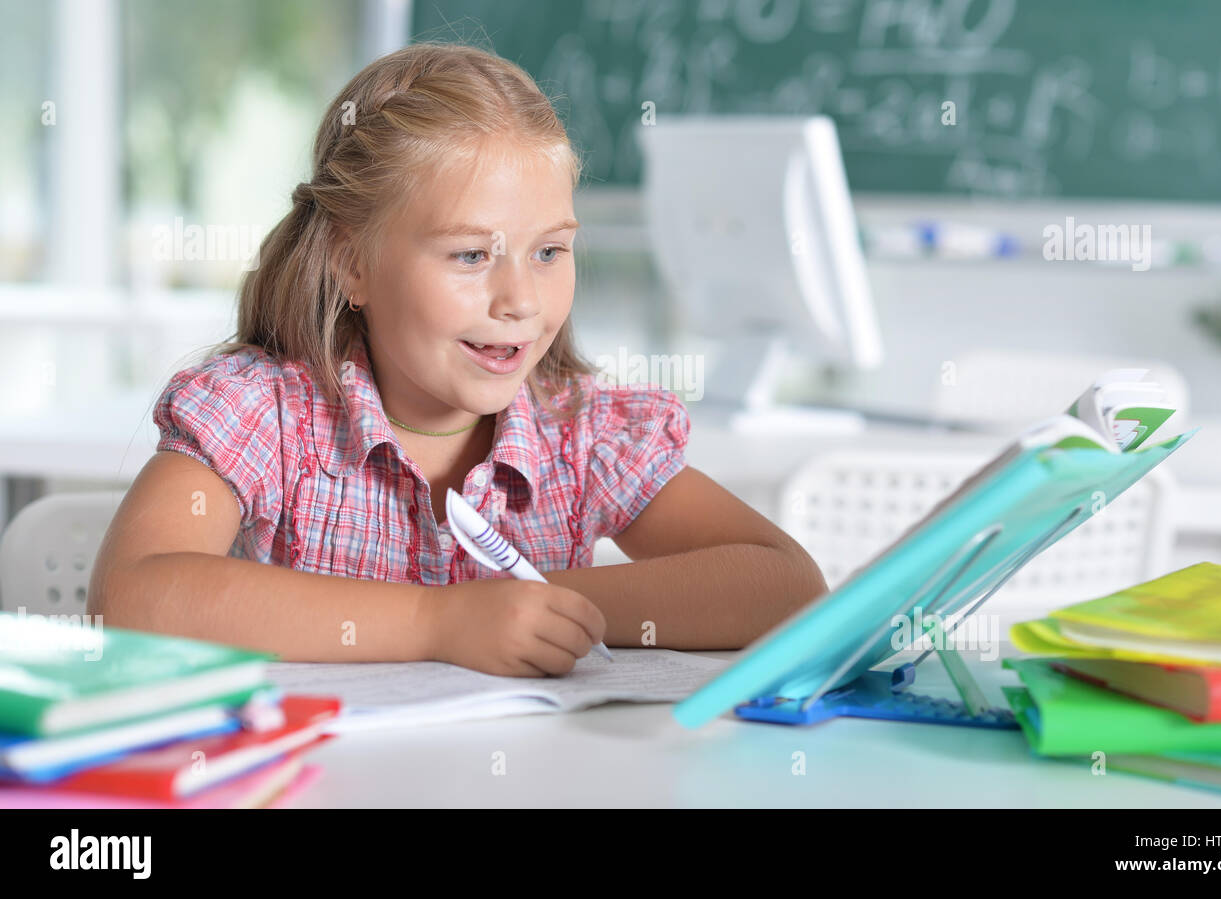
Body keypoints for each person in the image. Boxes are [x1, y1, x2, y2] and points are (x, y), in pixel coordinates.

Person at [90, 42, 825, 676]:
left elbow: (785, 582)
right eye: (471, 254)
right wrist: (439, 622)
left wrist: (539, 607)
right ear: (351, 263)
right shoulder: (266, 412)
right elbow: (131, 597)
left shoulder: (582, 432)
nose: (519, 299)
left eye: (549, 251)